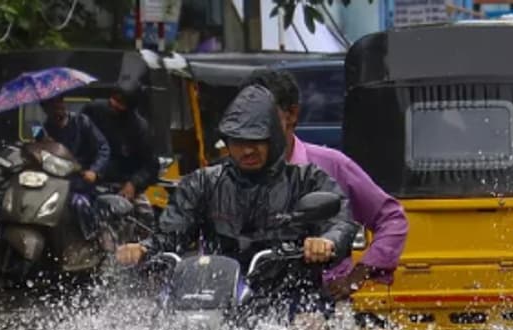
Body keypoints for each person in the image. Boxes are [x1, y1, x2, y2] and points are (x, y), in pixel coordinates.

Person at [114, 85, 358, 311]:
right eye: (239, 142)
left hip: (288, 297)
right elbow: (171, 233)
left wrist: (326, 242)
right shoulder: (203, 182)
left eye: (256, 141)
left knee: (311, 329)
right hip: (215, 295)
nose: (247, 150)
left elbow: (340, 221)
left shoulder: (306, 180)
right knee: (159, 323)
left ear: (272, 138)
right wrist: (144, 249)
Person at [243, 68, 408, 300]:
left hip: (320, 304)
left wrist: (356, 276)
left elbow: (392, 219)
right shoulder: (227, 174)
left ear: (291, 114)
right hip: (248, 302)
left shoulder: (332, 165)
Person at [36, 96, 111, 240]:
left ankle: (93, 240)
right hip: (56, 182)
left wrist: (94, 170)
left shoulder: (82, 122)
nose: (57, 107)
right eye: (51, 106)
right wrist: (44, 144)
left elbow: (103, 148)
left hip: (82, 181)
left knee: (79, 205)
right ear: (45, 109)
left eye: (59, 103)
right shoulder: (44, 129)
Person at [82, 79, 160, 203]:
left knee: (144, 212)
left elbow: (151, 165)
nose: (114, 104)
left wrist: (134, 183)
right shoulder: (94, 110)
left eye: (120, 102)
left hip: (121, 184)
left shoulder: (139, 128)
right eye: (113, 98)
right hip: (89, 177)